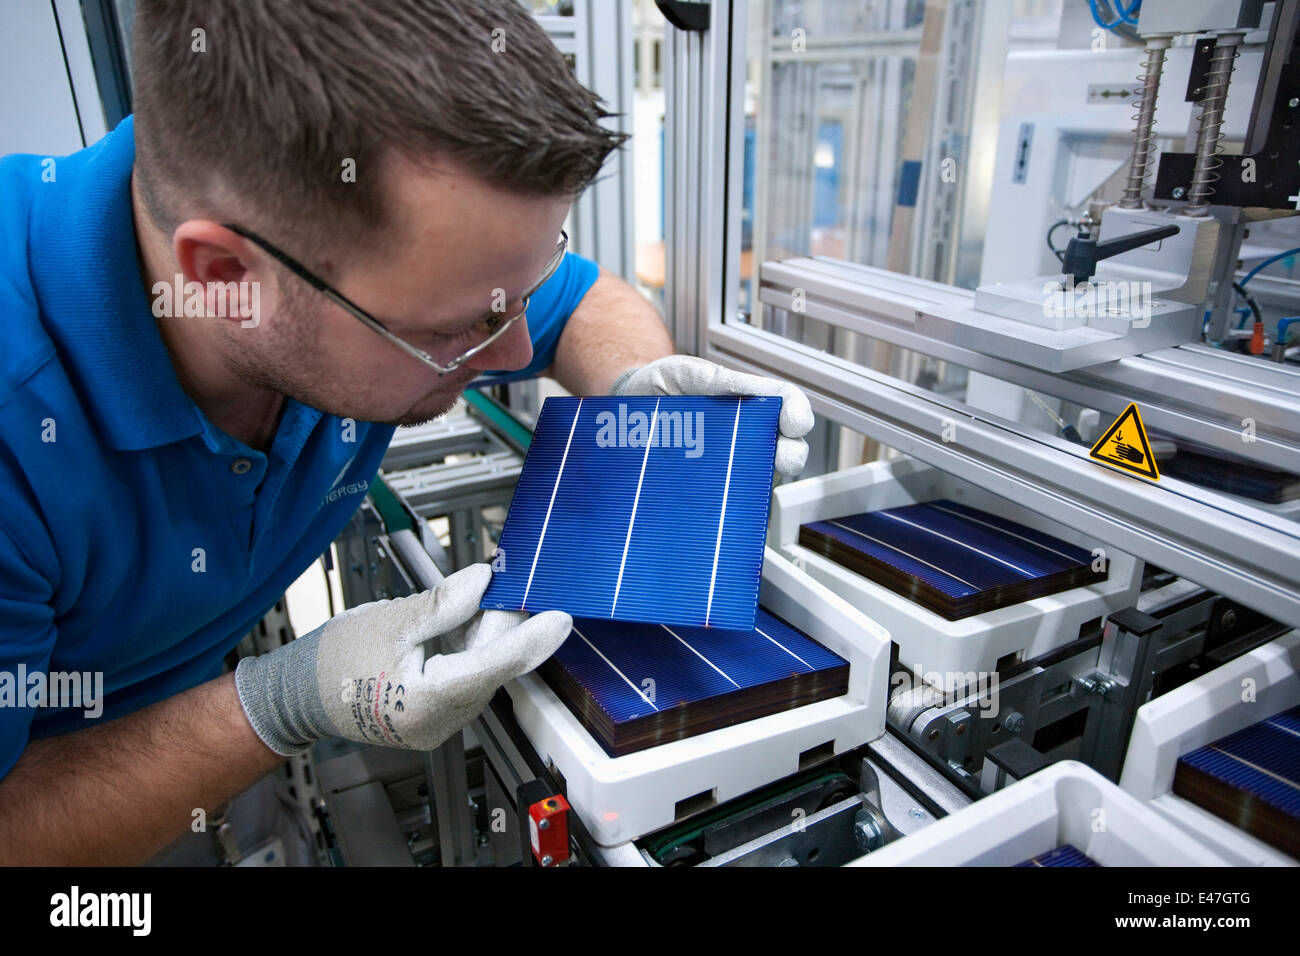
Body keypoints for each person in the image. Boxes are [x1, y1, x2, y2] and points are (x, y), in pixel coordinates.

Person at [0, 0, 814, 864]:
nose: (516, 348)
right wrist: (277, 704)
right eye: (451, 329)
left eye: (518, 293)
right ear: (227, 278)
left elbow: (585, 305)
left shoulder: (345, 257)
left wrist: (632, 400)